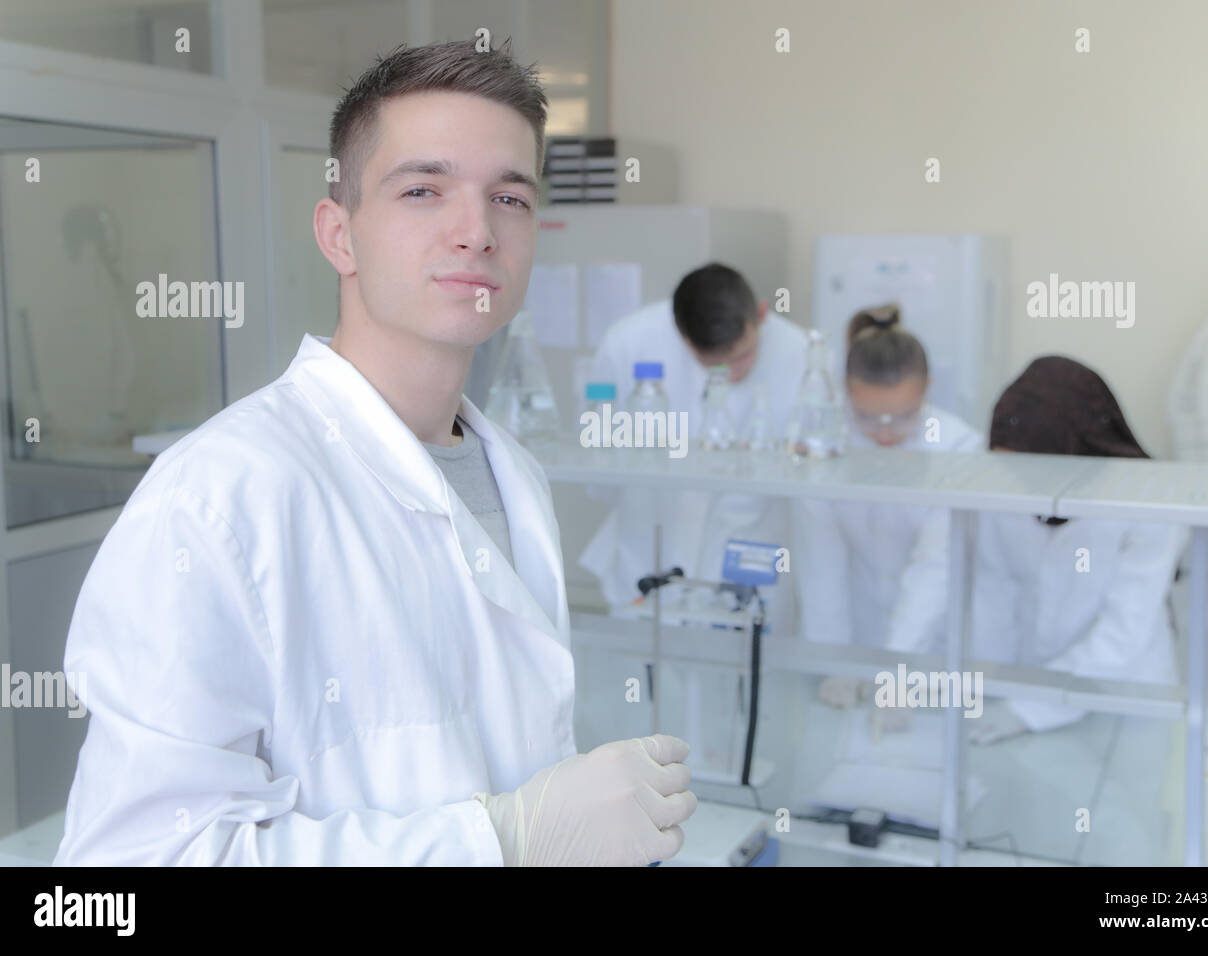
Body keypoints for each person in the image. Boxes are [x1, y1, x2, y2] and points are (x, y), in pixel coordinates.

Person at [54, 40, 695, 867]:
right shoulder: (220, 498)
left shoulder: (516, 478)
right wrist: (496, 839)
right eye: (423, 190)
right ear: (340, 234)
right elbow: (129, 869)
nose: (477, 232)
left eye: (510, 197)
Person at [968, 355, 1187, 744]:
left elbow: (1123, 632)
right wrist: (988, 687)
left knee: (1119, 802)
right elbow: (993, 594)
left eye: (1026, 468)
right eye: (1006, 467)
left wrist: (1030, 708)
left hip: (1123, 698)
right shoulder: (1005, 496)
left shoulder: (1150, 505)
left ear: (1067, 448)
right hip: (1027, 686)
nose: (1016, 482)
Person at [579, 263, 807, 628]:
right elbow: (598, 463)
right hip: (650, 550)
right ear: (682, 336)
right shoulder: (629, 342)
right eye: (714, 364)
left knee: (746, 674)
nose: (730, 374)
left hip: (752, 553)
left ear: (762, 315)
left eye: (743, 357)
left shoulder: (800, 354)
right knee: (643, 668)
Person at [792, 304, 983, 709]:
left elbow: (935, 569)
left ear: (927, 388)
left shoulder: (956, 447)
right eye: (866, 416)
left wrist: (898, 670)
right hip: (853, 635)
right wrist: (835, 662)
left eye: (901, 417)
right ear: (844, 389)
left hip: (935, 645)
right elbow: (821, 565)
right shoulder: (823, 445)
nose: (883, 433)